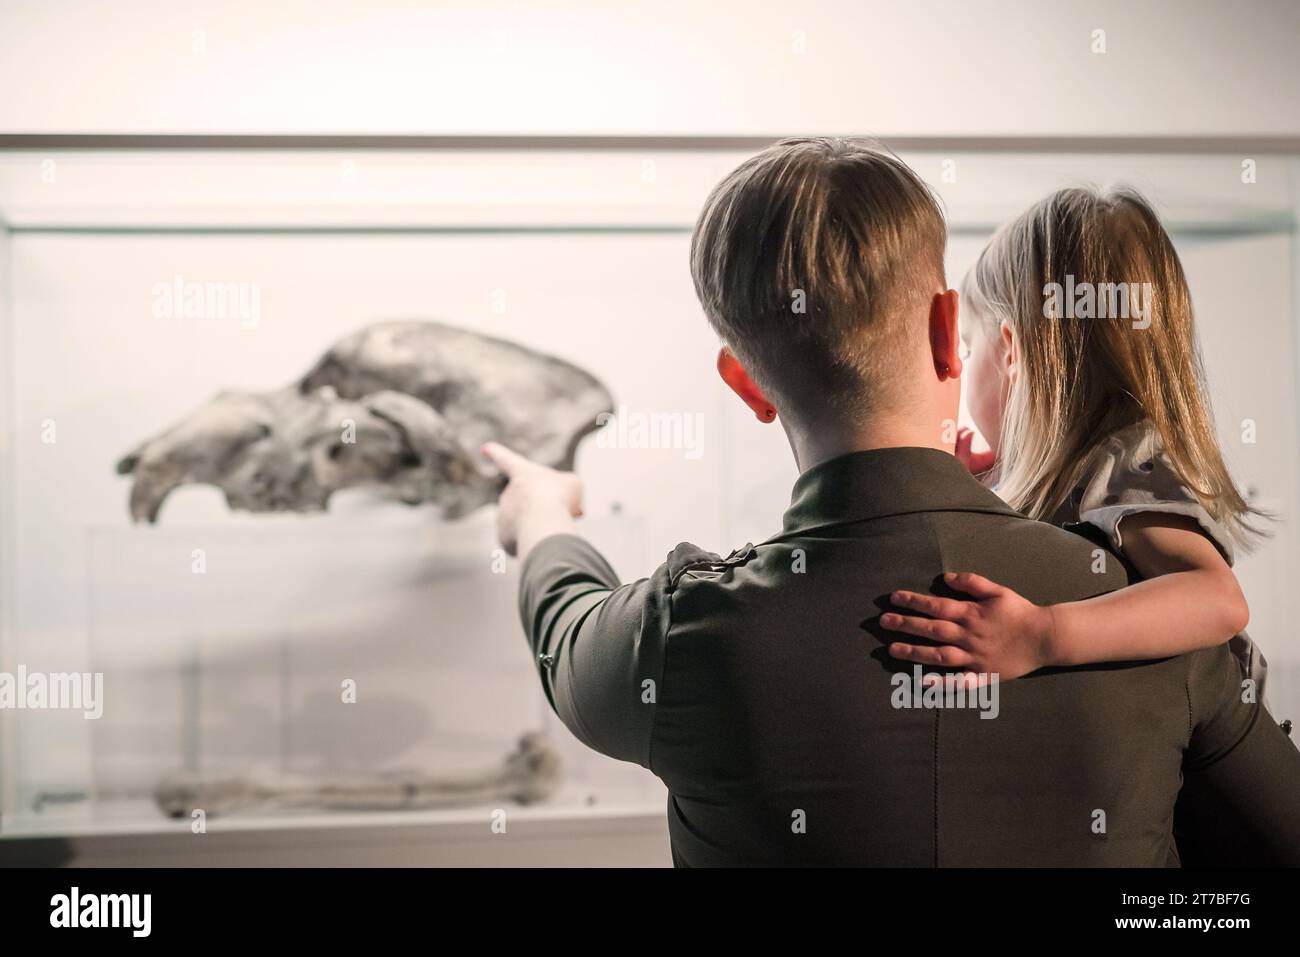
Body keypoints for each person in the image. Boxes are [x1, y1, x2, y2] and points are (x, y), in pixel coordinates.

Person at [482, 137, 1300, 866]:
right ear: (949, 330)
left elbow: (567, 627)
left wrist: (545, 514)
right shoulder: (1148, 610)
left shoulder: (681, 640)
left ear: (746, 384)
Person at [881, 188, 1269, 705]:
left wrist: (1042, 635)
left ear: (1012, 351)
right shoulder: (1076, 471)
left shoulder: (1125, 460)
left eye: (971, 348)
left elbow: (1216, 599)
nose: (964, 363)